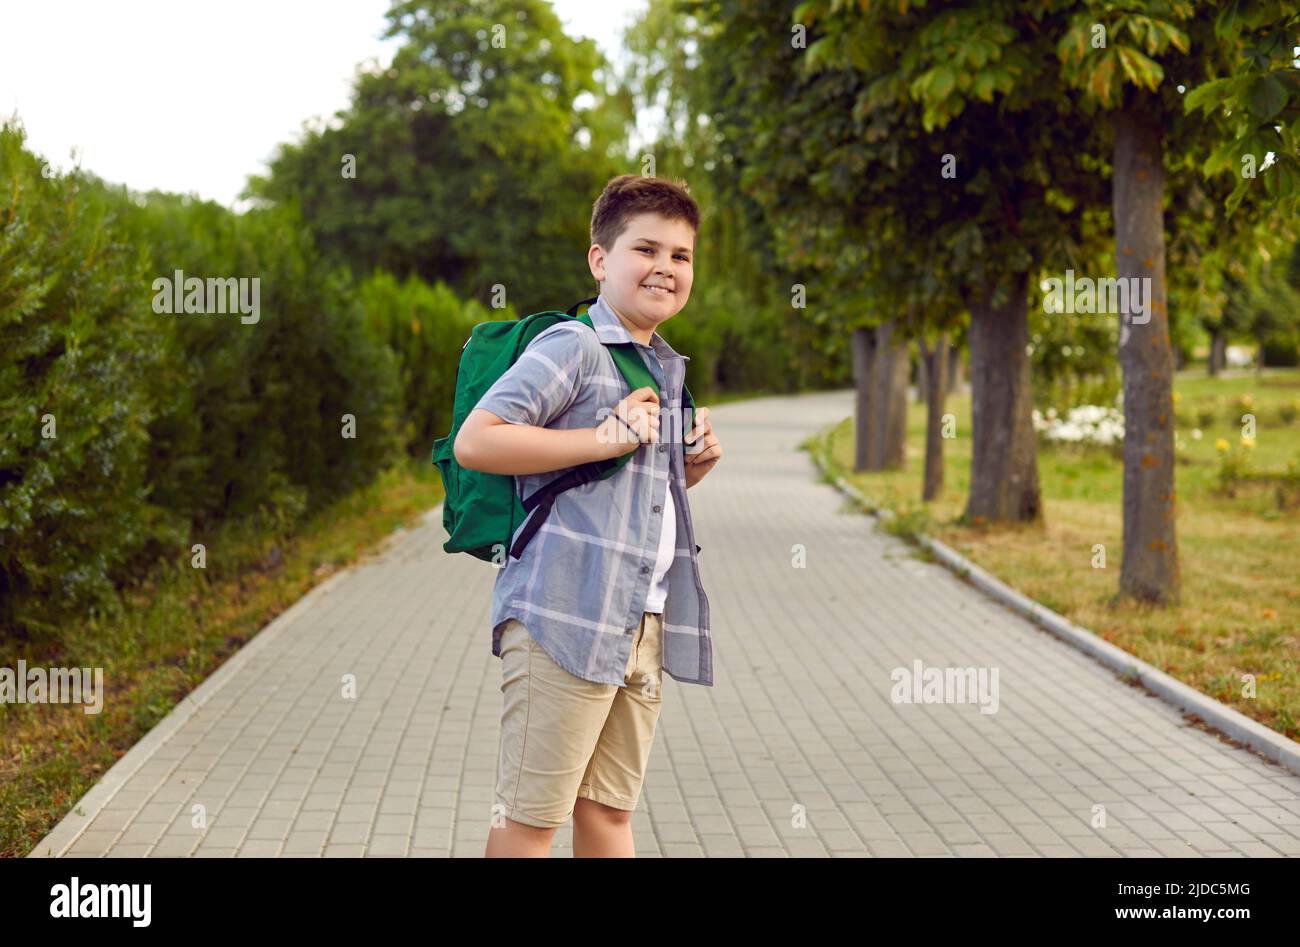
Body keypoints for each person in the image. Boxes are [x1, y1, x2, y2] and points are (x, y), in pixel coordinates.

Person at [454, 174, 723, 857]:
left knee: (607, 816)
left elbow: (626, 487)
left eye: (681, 255)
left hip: (642, 620)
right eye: (646, 249)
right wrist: (603, 436)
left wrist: (688, 470)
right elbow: (478, 440)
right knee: (530, 820)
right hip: (564, 617)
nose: (665, 266)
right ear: (601, 260)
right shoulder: (575, 348)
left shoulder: (664, 365)